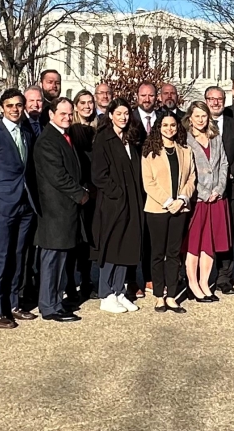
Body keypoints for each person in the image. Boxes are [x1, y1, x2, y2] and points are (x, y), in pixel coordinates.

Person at [0, 88, 37, 329]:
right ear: (2, 107)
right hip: (2, 206)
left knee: (18, 256)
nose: (15, 109)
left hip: (25, 204)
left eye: (19, 105)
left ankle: (12, 303)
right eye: (10, 105)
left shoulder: (26, 132)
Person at [33, 98, 88, 322]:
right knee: (52, 259)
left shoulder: (66, 136)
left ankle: (56, 301)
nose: (67, 117)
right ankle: (48, 306)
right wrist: (80, 193)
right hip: (55, 210)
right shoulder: (48, 140)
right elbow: (57, 175)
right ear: (51, 115)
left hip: (66, 210)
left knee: (61, 258)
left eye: (69, 114)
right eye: (62, 114)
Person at [92, 98, 145, 314]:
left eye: (126, 113)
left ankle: (119, 290)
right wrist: (118, 193)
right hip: (113, 202)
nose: (123, 117)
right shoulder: (103, 139)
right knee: (111, 247)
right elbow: (98, 175)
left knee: (127, 246)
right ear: (111, 114)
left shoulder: (130, 139)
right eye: (119, 113)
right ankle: (106, 293)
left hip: (133, 200)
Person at [141, 112, 195, 312]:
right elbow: (149, 182)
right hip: (157, 209)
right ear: (159, 127)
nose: (169, 129)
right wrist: (168, 201)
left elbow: (191, 178)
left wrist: (182, 199)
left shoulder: (185, 151)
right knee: (157, 253)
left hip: (180, 208)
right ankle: (158, 295)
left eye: (173, 125)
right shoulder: (150, 151)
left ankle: (171, 295)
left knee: (173, 254)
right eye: (165, 125)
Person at [183, 101, 230, 301]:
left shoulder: (215, 137)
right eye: (197, 116)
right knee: (194, 243)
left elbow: (224, 163)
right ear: (190, 118)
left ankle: (204, 282)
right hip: (197, 199)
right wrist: (202, 192)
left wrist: (219, 189)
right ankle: (192, 283)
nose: (201, 120)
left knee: (209, 243)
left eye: (204, 116)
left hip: (216, 198)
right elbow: (186, 170)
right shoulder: (185, 140)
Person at [205, 86, 234, 294]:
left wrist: (230, 173)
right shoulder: (195, 123)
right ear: (206, 100)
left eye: (219, 99)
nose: (216, 103)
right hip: (202, 191)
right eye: (212, 99)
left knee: (227, 235)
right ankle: (200, 277)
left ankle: (224, 278)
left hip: (231, 188)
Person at [66, 90, 99, 303]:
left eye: (90, 102)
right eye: (83, 103)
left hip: (95, 189)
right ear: (76, 106)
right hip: (77, 189)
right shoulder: (71, 130)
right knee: (74, 239)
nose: (87, 106)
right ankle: (70, 283)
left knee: (90, 238)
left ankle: (87, 279)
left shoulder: (100, 128)